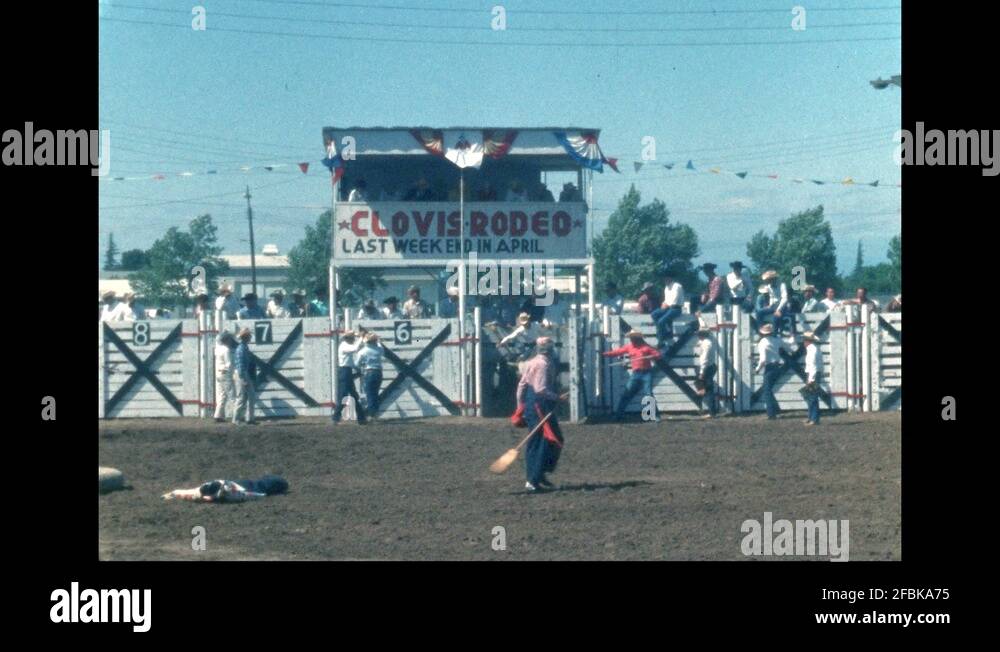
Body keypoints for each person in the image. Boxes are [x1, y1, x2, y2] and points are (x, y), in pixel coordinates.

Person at [516, 337, 564, 491]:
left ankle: (539, 474)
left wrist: (520, 407)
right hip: (539, 405)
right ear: (550, 350)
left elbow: (521, 386)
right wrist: (557, 397)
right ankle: (533, 479)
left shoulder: (531, 362)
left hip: (532, 404)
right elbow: (540, 389)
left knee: (549, 439)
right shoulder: (543, 364)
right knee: (542, 441)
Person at [602, 329, 662, 422]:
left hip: (646, 373)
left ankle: (654, 416)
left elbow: (658, 354)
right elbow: (617, 352)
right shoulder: (629, 347)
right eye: (631, 338)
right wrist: (605, 354)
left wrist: (652, 356)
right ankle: (619, 415)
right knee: (626, 394)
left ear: (638, 338)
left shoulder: (646, 347)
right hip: (636, 374)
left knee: (648, 394)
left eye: (633, 338)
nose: (632, 339)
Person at [332, 330, 367, 424]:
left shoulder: (345, 346)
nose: (353, 340)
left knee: (352, 395)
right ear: (349, 338)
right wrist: (361, 338)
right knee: (345, 395)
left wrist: (357, 369)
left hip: (345, 371)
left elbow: (350, 361)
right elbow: (355, 348)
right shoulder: (344, 346)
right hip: (345, 372)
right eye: (353, 338)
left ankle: (361, 418)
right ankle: (336, 418)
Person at [754, 323, 787, 420]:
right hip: (777, 366)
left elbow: (763, 359)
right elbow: (787, 347)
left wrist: (757, 369)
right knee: (768, 389)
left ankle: (771, 413)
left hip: (769, 367)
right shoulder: (777, 340)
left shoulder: (762, 342)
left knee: (767, 391)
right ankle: (776, 409)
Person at [650, 270, 685, 347]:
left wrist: (666, 304)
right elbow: (667, 299)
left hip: (676, 308)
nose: (664, 279)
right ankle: (665, 333)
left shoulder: (677, 286)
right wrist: (664, 303)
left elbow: (674, 300)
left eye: (665, 278)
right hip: (668, 307)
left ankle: (661, 340)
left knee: (661, 321)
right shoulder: (666, 287)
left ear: (670, 278)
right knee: (654, 314)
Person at [232, 328, 257, 425]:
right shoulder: (242, 349)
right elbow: (241, 365)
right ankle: (239, 419)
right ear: (246, 337)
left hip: (242, 373)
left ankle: (248, 418)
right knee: (243, 397)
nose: (250, 337)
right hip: (242, 374)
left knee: (247, 396)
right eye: (249, 336)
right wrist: (243, 378)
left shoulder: (243, 347)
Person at [356, 332, 384, 419]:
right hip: (378, 372)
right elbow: (381, 348)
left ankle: (372, 414)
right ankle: (375, 413)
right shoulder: (379, 349)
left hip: (369, 372)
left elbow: (357, 364)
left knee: (369, 393)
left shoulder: (363, 351)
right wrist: (379, 341)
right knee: (375, 393)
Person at [213, 332, 237, 422]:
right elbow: (229, 363)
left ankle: (218, 415)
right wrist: (233, 370)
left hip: (219, 373)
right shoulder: (226, 349)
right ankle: (237, 416)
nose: (231, 341)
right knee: (232, 396)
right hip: (226, 373)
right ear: (226, 340)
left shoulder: (217, 349)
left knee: (222, 395)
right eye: (229, 339)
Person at [801, 330, 824, 426]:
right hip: (814, 373)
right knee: (811, 396)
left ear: (807, 341)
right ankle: (812, 417)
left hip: (812, 374)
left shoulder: (812, 350)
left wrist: (810, 379)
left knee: (812, 396)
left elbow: (813, 365)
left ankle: (813, 419)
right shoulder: (815, 348)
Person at [695, 328, 719, 418]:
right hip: (709, 367)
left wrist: (702, 372)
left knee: (708, 390)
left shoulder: (705, 344)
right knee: (707, 388)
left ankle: (711, 412)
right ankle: (711, 411)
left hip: (706, 368)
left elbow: (704, 359)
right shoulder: (708, 342)